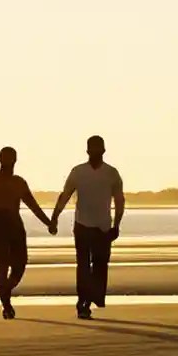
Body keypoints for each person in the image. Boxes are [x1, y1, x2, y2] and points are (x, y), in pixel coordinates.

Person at [0, 146, 54, 319]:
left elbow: (33, 205)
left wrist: (48, 223)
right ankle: (6, 303)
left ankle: (5, 291)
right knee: (4, 265)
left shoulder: (16, 182)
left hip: (9, 223)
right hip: (0, 223)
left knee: (18, 263)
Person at [50, 135, 124, 320]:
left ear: (103, 151)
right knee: (83, 266)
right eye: (93, 149)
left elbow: (120, 200)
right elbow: (65, 195)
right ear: (88, 151)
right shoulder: (78, 172)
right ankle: (83, 302)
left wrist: (117, 225)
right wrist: (54, 217)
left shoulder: (111, 173)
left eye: (98, 149)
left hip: (103, 228)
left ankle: (91, 298)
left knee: (100, 265)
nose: (96, 152)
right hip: (82, 225)